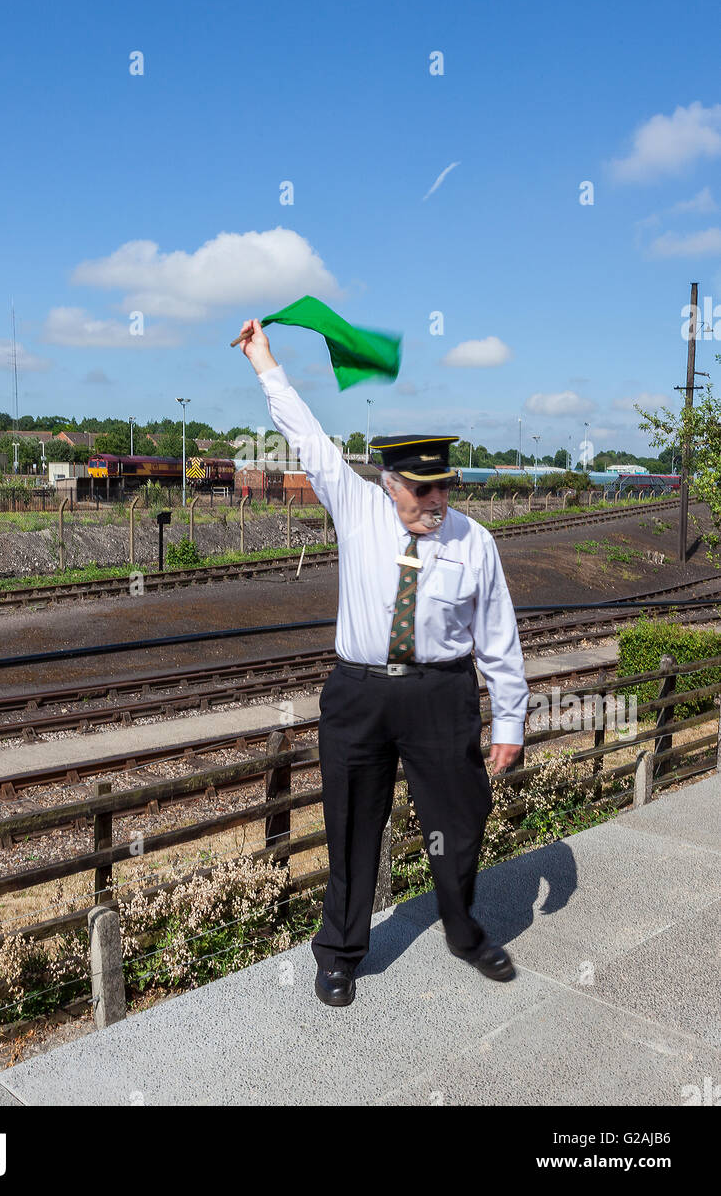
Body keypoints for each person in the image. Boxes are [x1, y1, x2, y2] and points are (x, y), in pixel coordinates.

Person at [238, 317, 529, 1006]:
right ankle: (340, 954)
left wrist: (510, 720)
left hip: (441, 696)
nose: (437, 502)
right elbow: (305, 432)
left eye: (444, 489)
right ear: (390, 483)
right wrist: (263, 359)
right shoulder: (355, 504)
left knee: (459, 825)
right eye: (422, 491)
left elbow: (499, 637)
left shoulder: (474, 541)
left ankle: (464, 932)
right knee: (350, 828)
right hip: (359, 696)